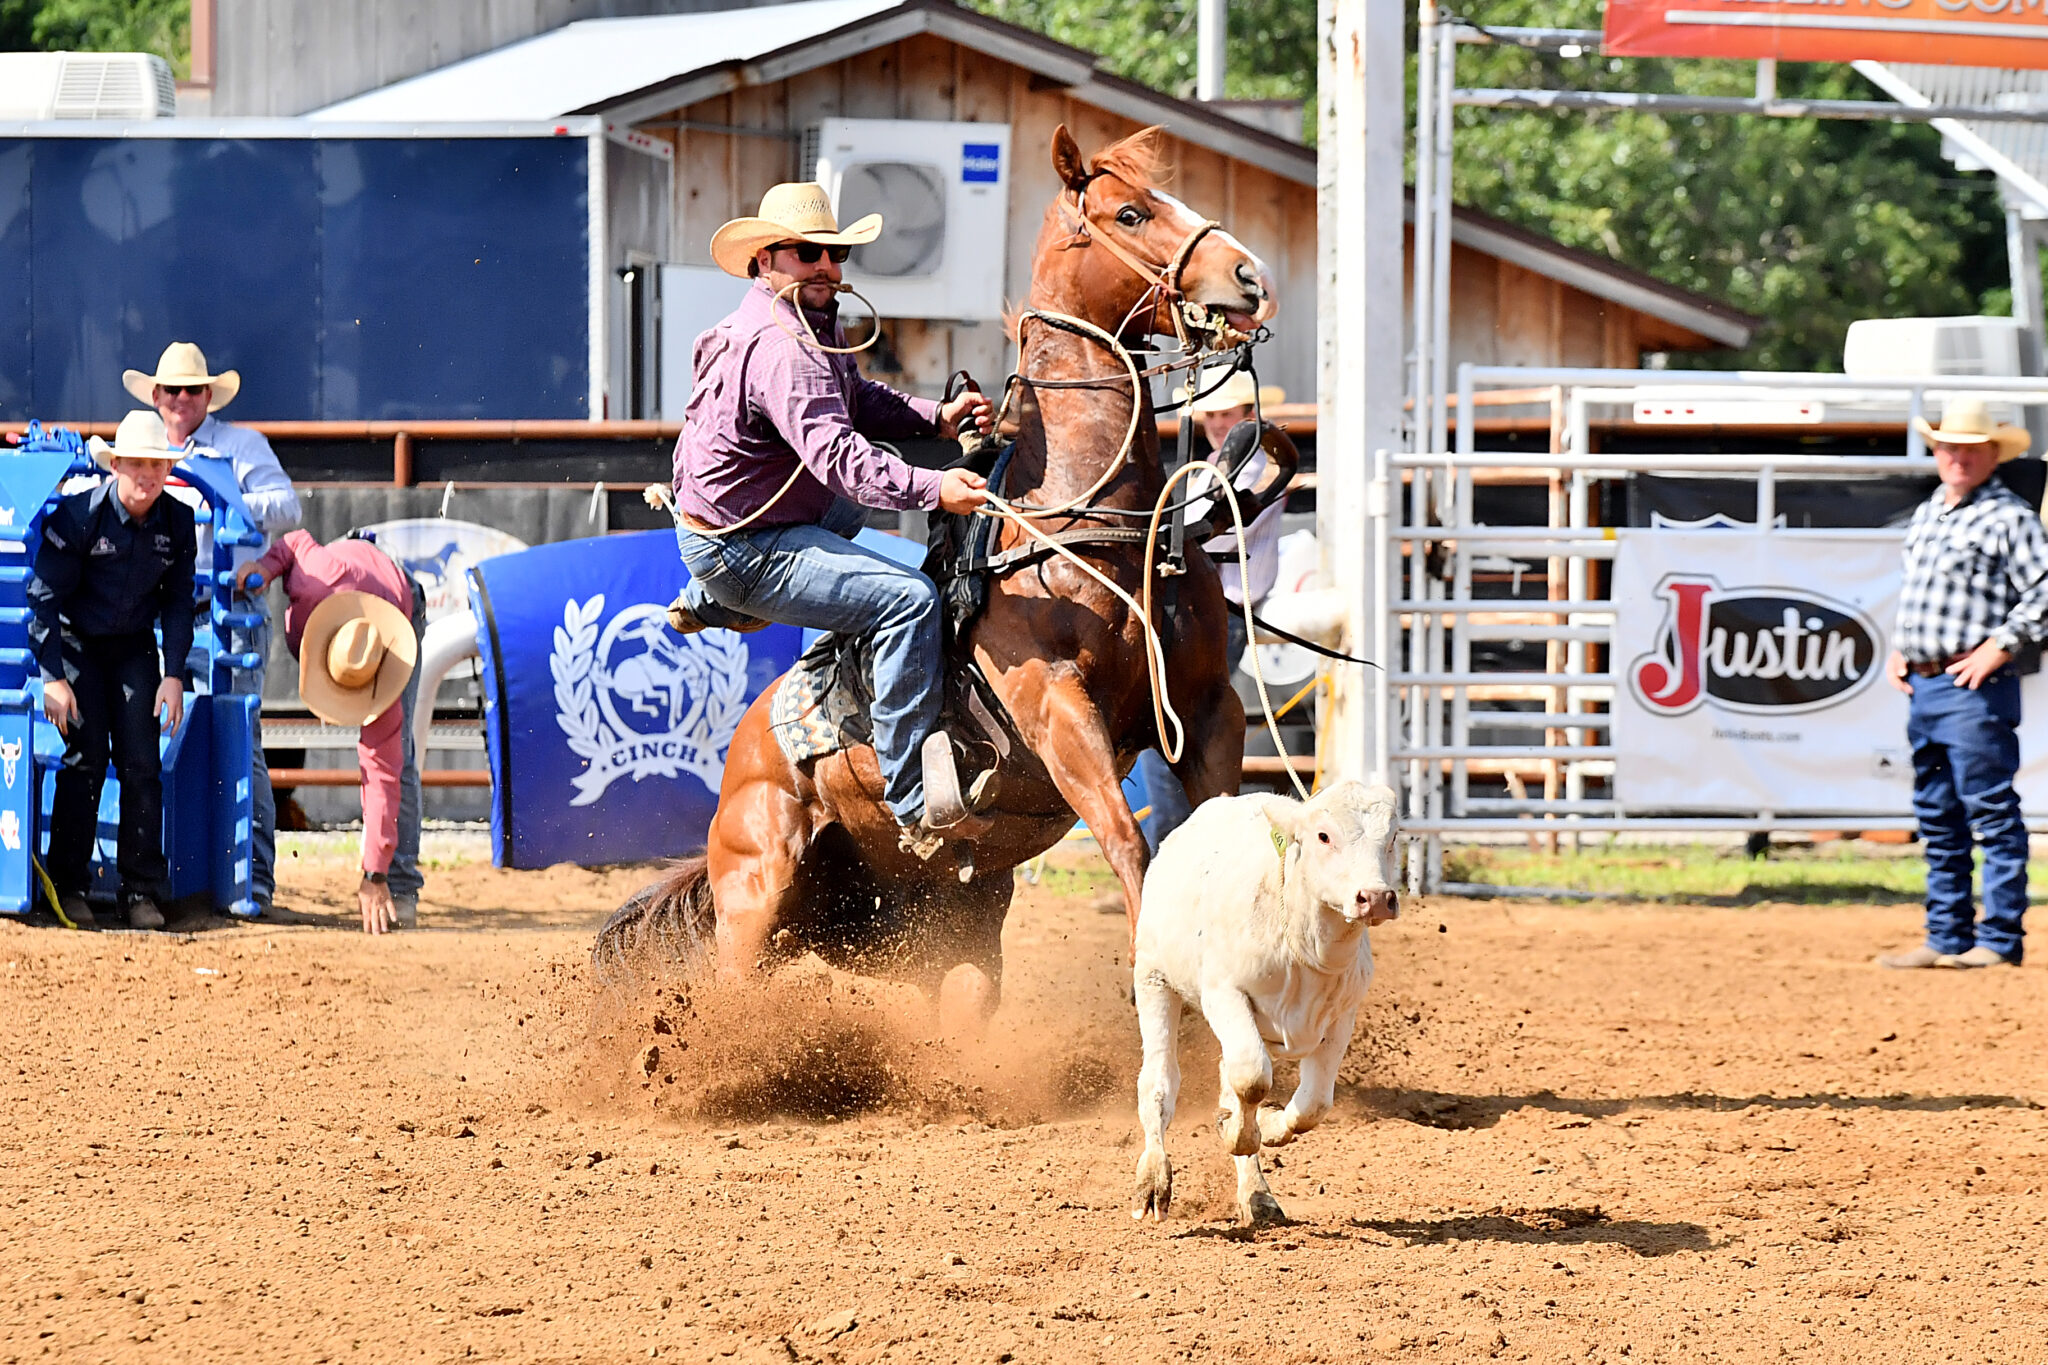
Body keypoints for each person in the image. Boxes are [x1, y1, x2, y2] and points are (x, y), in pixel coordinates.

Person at [664, 182, 993, 853]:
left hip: (735, 522)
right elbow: (842, 457)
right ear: (766, 259)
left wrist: (935, 417)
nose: (828, 267)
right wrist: (936, 487)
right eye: (809, 253)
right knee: (908, 600)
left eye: (835, 253)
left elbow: (854, 396)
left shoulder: (806, 323)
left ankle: (711, 599)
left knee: (863, 506)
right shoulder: (783, 346)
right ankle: (909, 799)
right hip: (747, 544)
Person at [127, 341, 301, 916]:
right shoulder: (142, 449)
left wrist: (221, 501)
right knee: (147, 743)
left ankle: (254, 881)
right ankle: (177, 874)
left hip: (227, 616)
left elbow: (287, 508)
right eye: (172, 390)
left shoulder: (241, 446)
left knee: (239, 746)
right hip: (160, 616)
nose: (181, 399)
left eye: (192, 390)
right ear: (156, 396)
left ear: (209, 396)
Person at [1879, 397, 2048, 970]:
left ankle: (1997, 940)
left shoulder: (2009, 517)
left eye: (1972, 449)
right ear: (1936, 450)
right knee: (1938, 812)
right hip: (1927, 684)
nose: (1959, 457)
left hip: (1972, 687)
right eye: (1951, 446)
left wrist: (1999, 647)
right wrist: (1903, 646)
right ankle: (1946, 936)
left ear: (1993, 454)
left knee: (1988, 809)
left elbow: (2045, 590)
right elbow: (1923, 593)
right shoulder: (1932, 511)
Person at [27, 410, 198, 931]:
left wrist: (174, 674)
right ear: (116, 465)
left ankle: (141, 888)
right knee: (86, 756)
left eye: (158, 464)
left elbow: (178, 601)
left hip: (134, 649)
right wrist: (53, 676)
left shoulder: (177, 520)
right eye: (138, 464)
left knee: (142, 761)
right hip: (79, 645)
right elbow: (43, 598)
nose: (148, 475)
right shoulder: (77, 518)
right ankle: (68, 881)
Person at [1131, 368, 1290, 854]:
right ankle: (1186, 849)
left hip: (1227, 608)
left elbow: (1212, 529)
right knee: (1177, 724)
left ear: (1247, 416)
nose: (1219, 422)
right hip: (1207, 606)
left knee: (1169, 723)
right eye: (1213, 414)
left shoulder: (1248, 466)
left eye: (1227, 413)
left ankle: (1169, 850)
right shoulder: (1214, 466)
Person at [236, 531, 423, 935]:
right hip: (359, 581)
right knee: (395, 760)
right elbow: (293, 541)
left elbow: (382, 773)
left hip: (399, 602)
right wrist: (265, 567)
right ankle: (397, 883)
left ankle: (399, 885)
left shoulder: (382, 652)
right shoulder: (316, 574)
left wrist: (373, 873)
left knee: (397, 757)